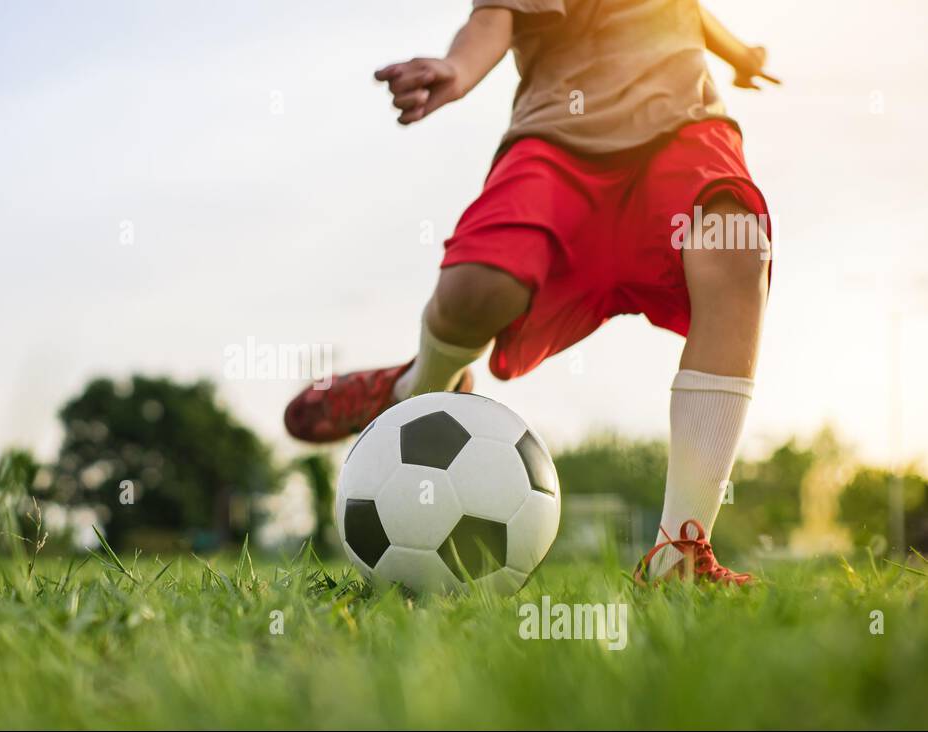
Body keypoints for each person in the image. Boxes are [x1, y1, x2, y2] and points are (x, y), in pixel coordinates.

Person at [283, 0, 779, 585]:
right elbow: (496, 18)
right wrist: (457, 70)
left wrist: (739, 54)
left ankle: (679, 553)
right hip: (559, 137)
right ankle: (415, 386)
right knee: (478, 289)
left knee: (735, 245)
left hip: (686, 127)